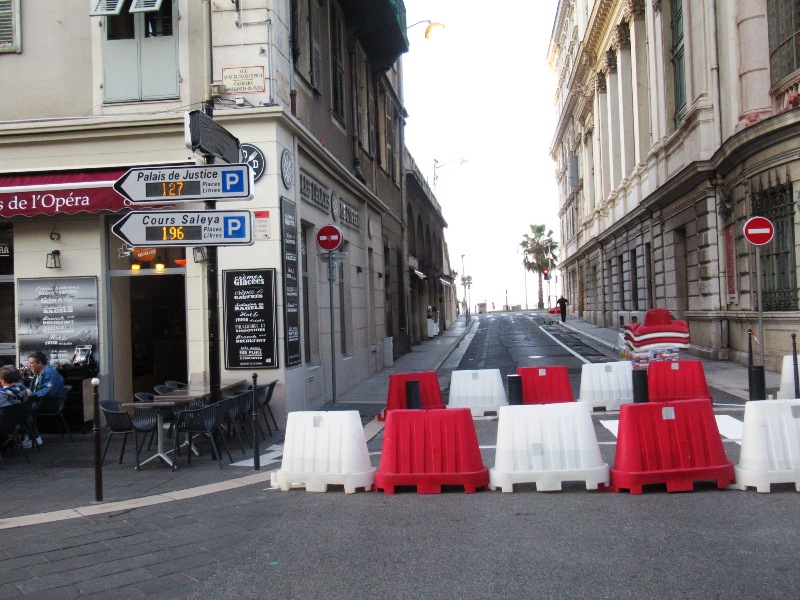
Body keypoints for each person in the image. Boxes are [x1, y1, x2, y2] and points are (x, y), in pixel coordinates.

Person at [24, 351, 66, 448]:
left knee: (23, 411)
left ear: (39, 363)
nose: (29, 366)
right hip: (39, 401)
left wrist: (31, 394)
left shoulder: (50, 374)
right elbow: (31, 388)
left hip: (51, 404)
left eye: (31, 363)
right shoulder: (37, 373)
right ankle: (29, 435)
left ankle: (35, 438)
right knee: (20, 409)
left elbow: (48, 392)